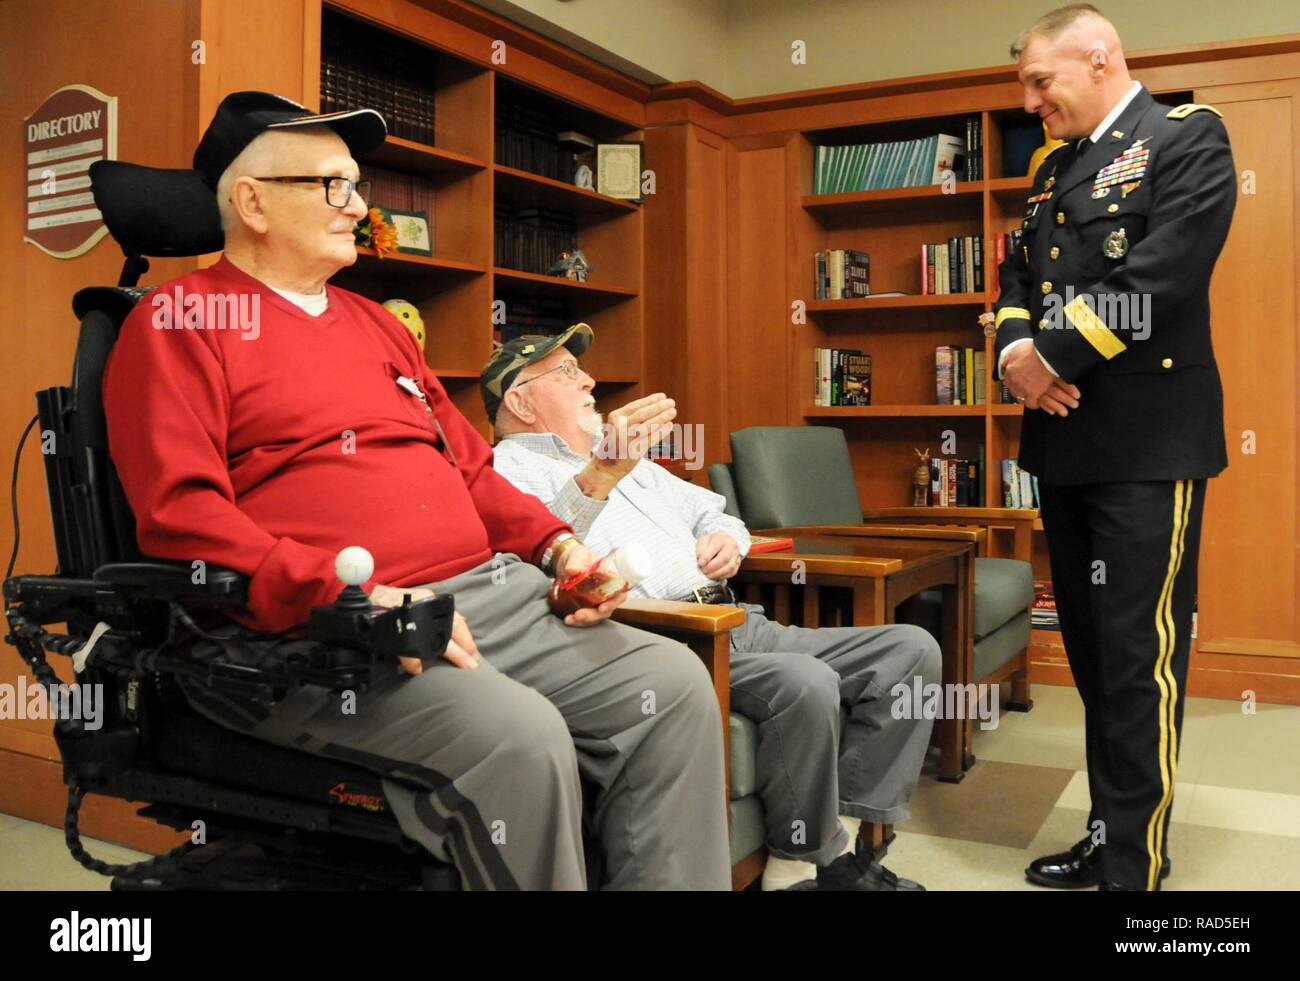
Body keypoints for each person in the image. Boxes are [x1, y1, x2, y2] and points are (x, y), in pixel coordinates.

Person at [102, 91, 732, 890]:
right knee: (520, 736)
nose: (359, 206)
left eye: (357, 184)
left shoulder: (379, 324)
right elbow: (183, 521)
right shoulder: (178, 321)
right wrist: (350, 601)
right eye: (332, 186)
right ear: (252, 201)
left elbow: (471, 468)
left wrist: (557, 543)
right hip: (318, 632)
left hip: (485, 596)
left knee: (672, 687)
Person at [483, 326, 942, 891]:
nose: (589, 380)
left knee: (911, 651)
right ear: (520, 400)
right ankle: (801, 869)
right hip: (673, 639)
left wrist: (730, 540)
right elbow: (540, 561)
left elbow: (717, 513)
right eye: (568, 373)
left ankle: (836, 854)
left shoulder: (634, 460)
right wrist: (601, 472)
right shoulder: (506, 471)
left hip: (741, 618)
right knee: (805, 681)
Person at [994, 5, 1236, 890]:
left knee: (1140, 657)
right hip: (1063, 443)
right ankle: (1110, 830)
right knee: (1093, 656)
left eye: (1040, 81)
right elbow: (1016, 272)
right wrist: (1015, 352)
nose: (1030, 101)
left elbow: (1164, 271)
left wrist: (1045, 357)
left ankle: (1135, 871)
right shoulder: (1052, 166)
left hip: (1147, 444)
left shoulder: (1186, 138)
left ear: (1098, 58)